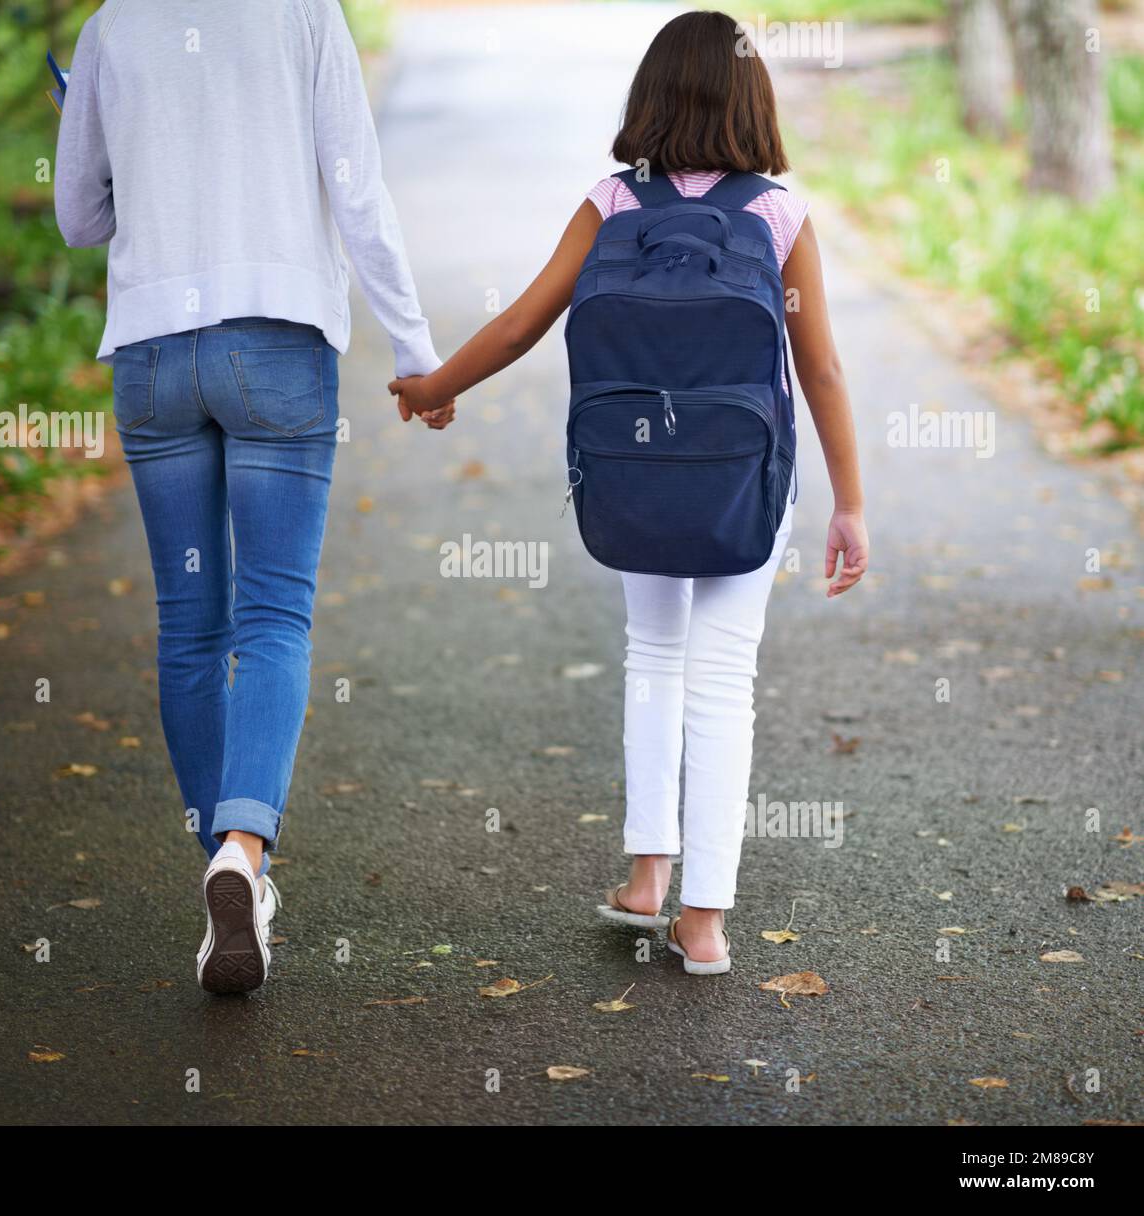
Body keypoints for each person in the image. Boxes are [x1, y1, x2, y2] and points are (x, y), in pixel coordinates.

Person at [391, 10, 868, 975]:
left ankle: (648, 874)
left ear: (647, 98)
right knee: (723, 681)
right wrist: (850, 504)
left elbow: (526, 323)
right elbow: (819, 371)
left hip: (635, 472)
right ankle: (705, 925)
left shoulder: (613, 202)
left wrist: (436, 388)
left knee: (653, 654)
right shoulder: (778, 215)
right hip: (744, 479)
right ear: (753, 101)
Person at [54, 0, 453, 994]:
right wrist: (415, 349)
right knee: (272, 618)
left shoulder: (111, 28)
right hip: (273, 346)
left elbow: (78, 219)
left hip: (154, 359)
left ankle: (226, 873)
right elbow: (357, 193)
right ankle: (242, 854)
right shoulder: (303, 14)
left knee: (190, 628)